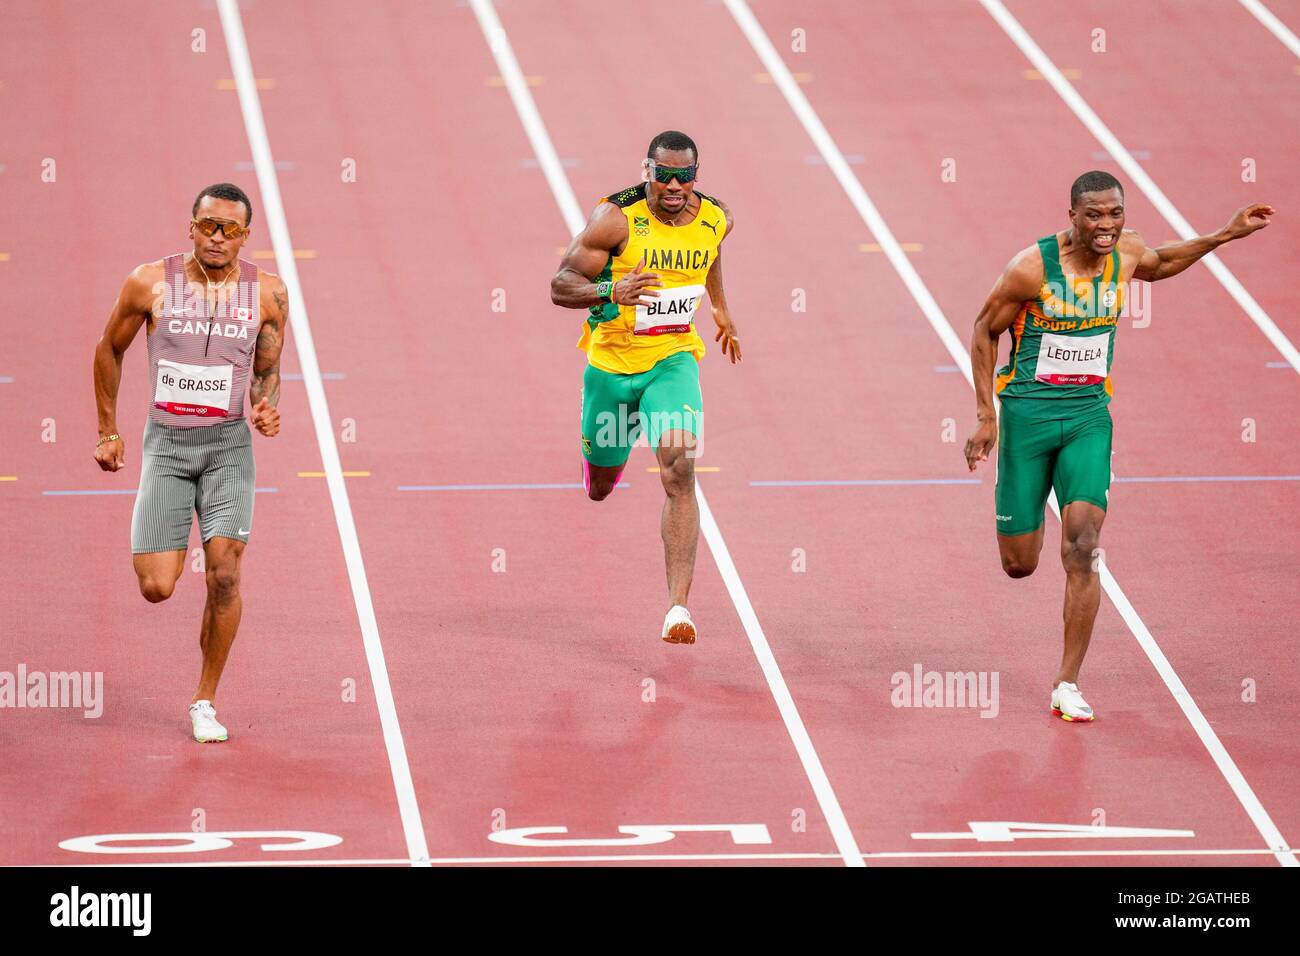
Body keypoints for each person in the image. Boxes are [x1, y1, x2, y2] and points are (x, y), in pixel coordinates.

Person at [964, 170, 1273, 721]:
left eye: (1115, 214)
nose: (1107, 226)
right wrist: (987, 415)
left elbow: (1163, 262)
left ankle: (1066, 683)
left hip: (1088, 418)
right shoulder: (1032, 268)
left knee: (1083, 545)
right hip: (1028, 419)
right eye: (1095, 216)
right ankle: (1020, 507)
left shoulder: (1126, 253)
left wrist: (1223, 235)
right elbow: (985, 330)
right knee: (1019, 565)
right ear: (1073, 217)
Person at [92, 182, 287, 741]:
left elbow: (267, 368)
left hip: (228, 447)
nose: (218, 237)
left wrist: (267, 406)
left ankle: (204, 700)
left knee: (225, 572)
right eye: (208, 225)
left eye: (230, 228)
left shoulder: (269, 293)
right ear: (191, 226)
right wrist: (108, 430)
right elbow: (109, 347)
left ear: (246, 235)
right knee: (157, 587)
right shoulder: (149, 282)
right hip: (168, 446)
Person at [550, 131, 741, 644]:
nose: (675, 186)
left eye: (685, 176)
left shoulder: (715, 216)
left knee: (679, 465)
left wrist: (719, 306)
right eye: (665, 175)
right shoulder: (614, 218)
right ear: (647, 172)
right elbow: (560, 285)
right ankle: (599, 466)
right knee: (599, 489)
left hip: (671, 362)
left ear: (696, 175)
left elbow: (710, 253)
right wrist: (613, 288)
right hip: (611, 368)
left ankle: (678, 609)